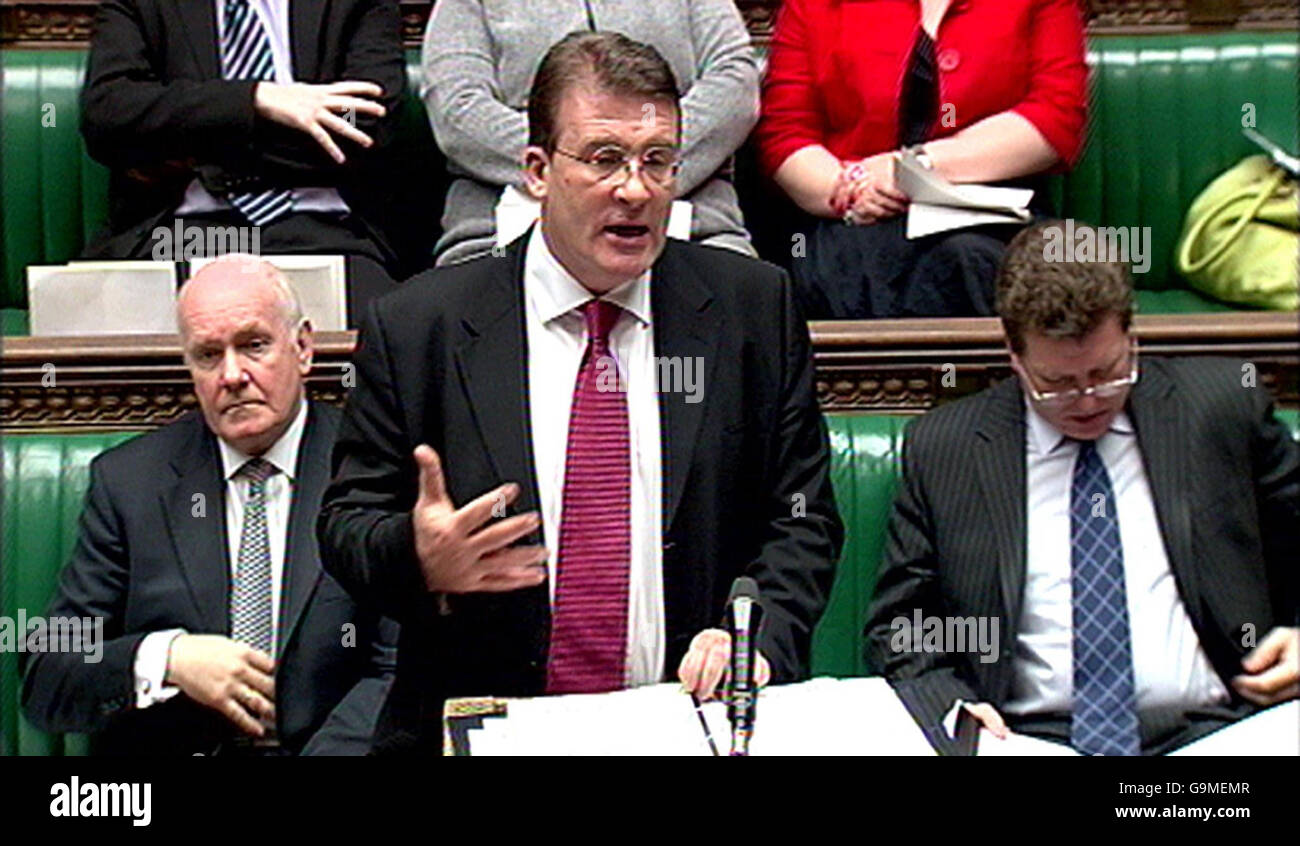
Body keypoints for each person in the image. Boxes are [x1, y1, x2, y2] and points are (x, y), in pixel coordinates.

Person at [319, 31, 842, 755]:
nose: (635, 188)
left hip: (692, 723)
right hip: (488, 726)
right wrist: (418, 556)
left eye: (658, 160)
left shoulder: (752, 309)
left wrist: (756, 637)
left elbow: (802, 520)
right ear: (535, 170)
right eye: (603, 159)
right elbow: (347, 523)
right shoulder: (421, 325)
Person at [864, 221, 1299, 756]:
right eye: (1057, 385)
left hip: (1220, 734)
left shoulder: (1219, 408)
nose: (1088, 400)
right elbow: (903, 628)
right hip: (1029, 741)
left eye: (1108, 373)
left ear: (1131, 335)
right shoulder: (946, 450)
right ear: (1014, 354)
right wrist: (950, 704)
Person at [22, 255, 397, 756]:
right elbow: (48, 675)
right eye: (208, 355)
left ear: (303, 347)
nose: (232, 375)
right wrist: (166, 657)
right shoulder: (130, 484)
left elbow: (402, 666)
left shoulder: (373, 469)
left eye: (254, 345)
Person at [78, 0, 407, 325]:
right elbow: (108, 116)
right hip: (185, 235)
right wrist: (256, 100)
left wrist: (199, 148)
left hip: (323, 231)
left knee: (386, 341)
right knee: (108, 336)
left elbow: (364, 126)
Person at [757, 0, 1088, 318]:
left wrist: (913, 166)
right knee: (842, 267)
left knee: (970, 261)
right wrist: (854, 190)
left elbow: (1055, 115)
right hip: (854, 219)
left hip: (993, 217)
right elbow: (787, 135)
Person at [421, 0, 758, 266]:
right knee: (467, 317)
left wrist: (650, 159)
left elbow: (735, 86)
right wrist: (577, 163)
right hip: (497, 217)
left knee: (741, 303)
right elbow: (457, 106)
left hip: (692, 211)